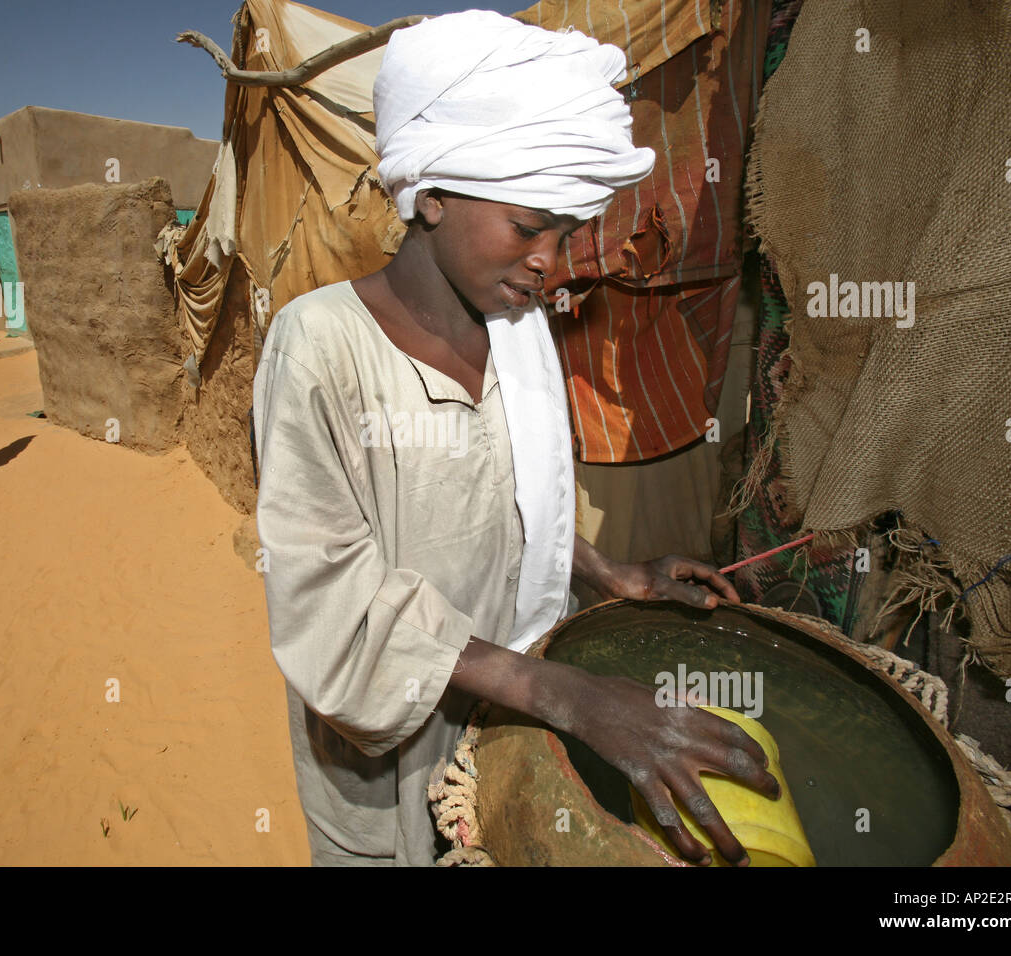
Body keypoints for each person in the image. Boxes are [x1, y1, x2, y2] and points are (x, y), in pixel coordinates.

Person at [252, 9, 779, 867]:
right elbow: (335, 603)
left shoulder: (520, 331)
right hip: (385, 760)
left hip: (508, 732)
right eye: (530, 227)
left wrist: (611, 572)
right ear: (432, 196)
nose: (550, 261)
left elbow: (508, 509)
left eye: (565, 235)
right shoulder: (320, 348)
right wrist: (567, 696)